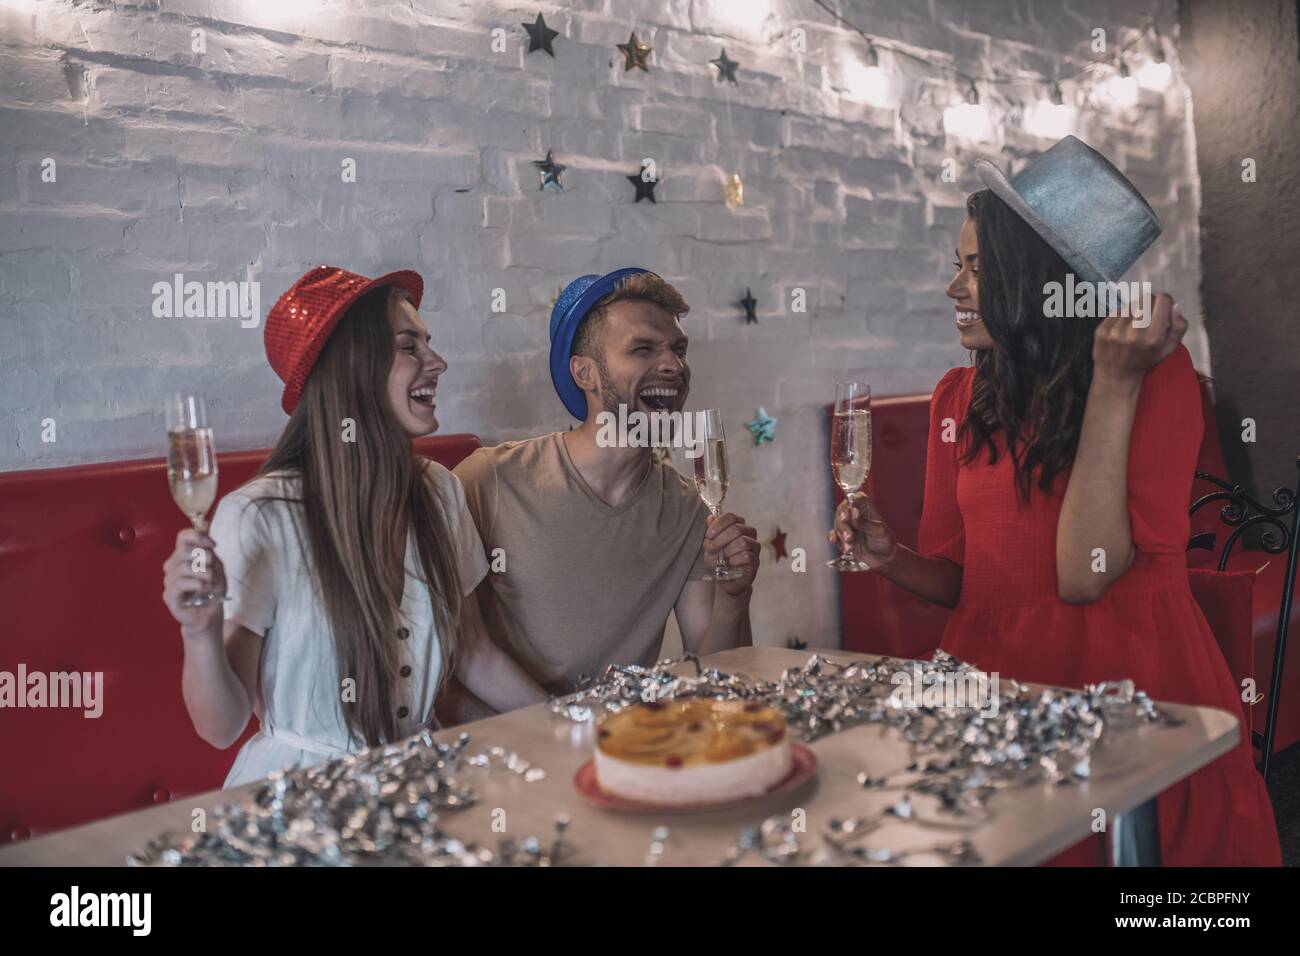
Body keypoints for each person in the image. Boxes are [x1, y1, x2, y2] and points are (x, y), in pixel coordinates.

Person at [832, 137, 1281, 865]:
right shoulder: (961, 396)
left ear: (1041, 279)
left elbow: (1085, 574)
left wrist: (1113, 382)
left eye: (977, 269)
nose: (954, 289)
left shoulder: (1155, 377)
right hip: (990, 681)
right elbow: (966, 586)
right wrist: (890, 558)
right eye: (958, 266)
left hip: (1127, 680)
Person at [162, 266, 547, 787]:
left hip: (413, 783)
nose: (438, 362)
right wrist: (200, 631)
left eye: (427, 344)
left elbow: (474, 651)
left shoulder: (438, 489)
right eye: (409, 346)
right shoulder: (260, 514)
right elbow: (220, 728)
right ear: (351, 367)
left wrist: (571, 724)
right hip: (300, 796)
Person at [447, 268, 761, 709]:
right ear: (585, 374)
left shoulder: (688, 509)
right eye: (643, 348)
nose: (673, 365)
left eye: (678, 349)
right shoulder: (488, 481)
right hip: (500, 750)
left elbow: (714, 677)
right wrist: (570, 730)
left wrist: (734, 596)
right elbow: (458, 652)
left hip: (618, 747)